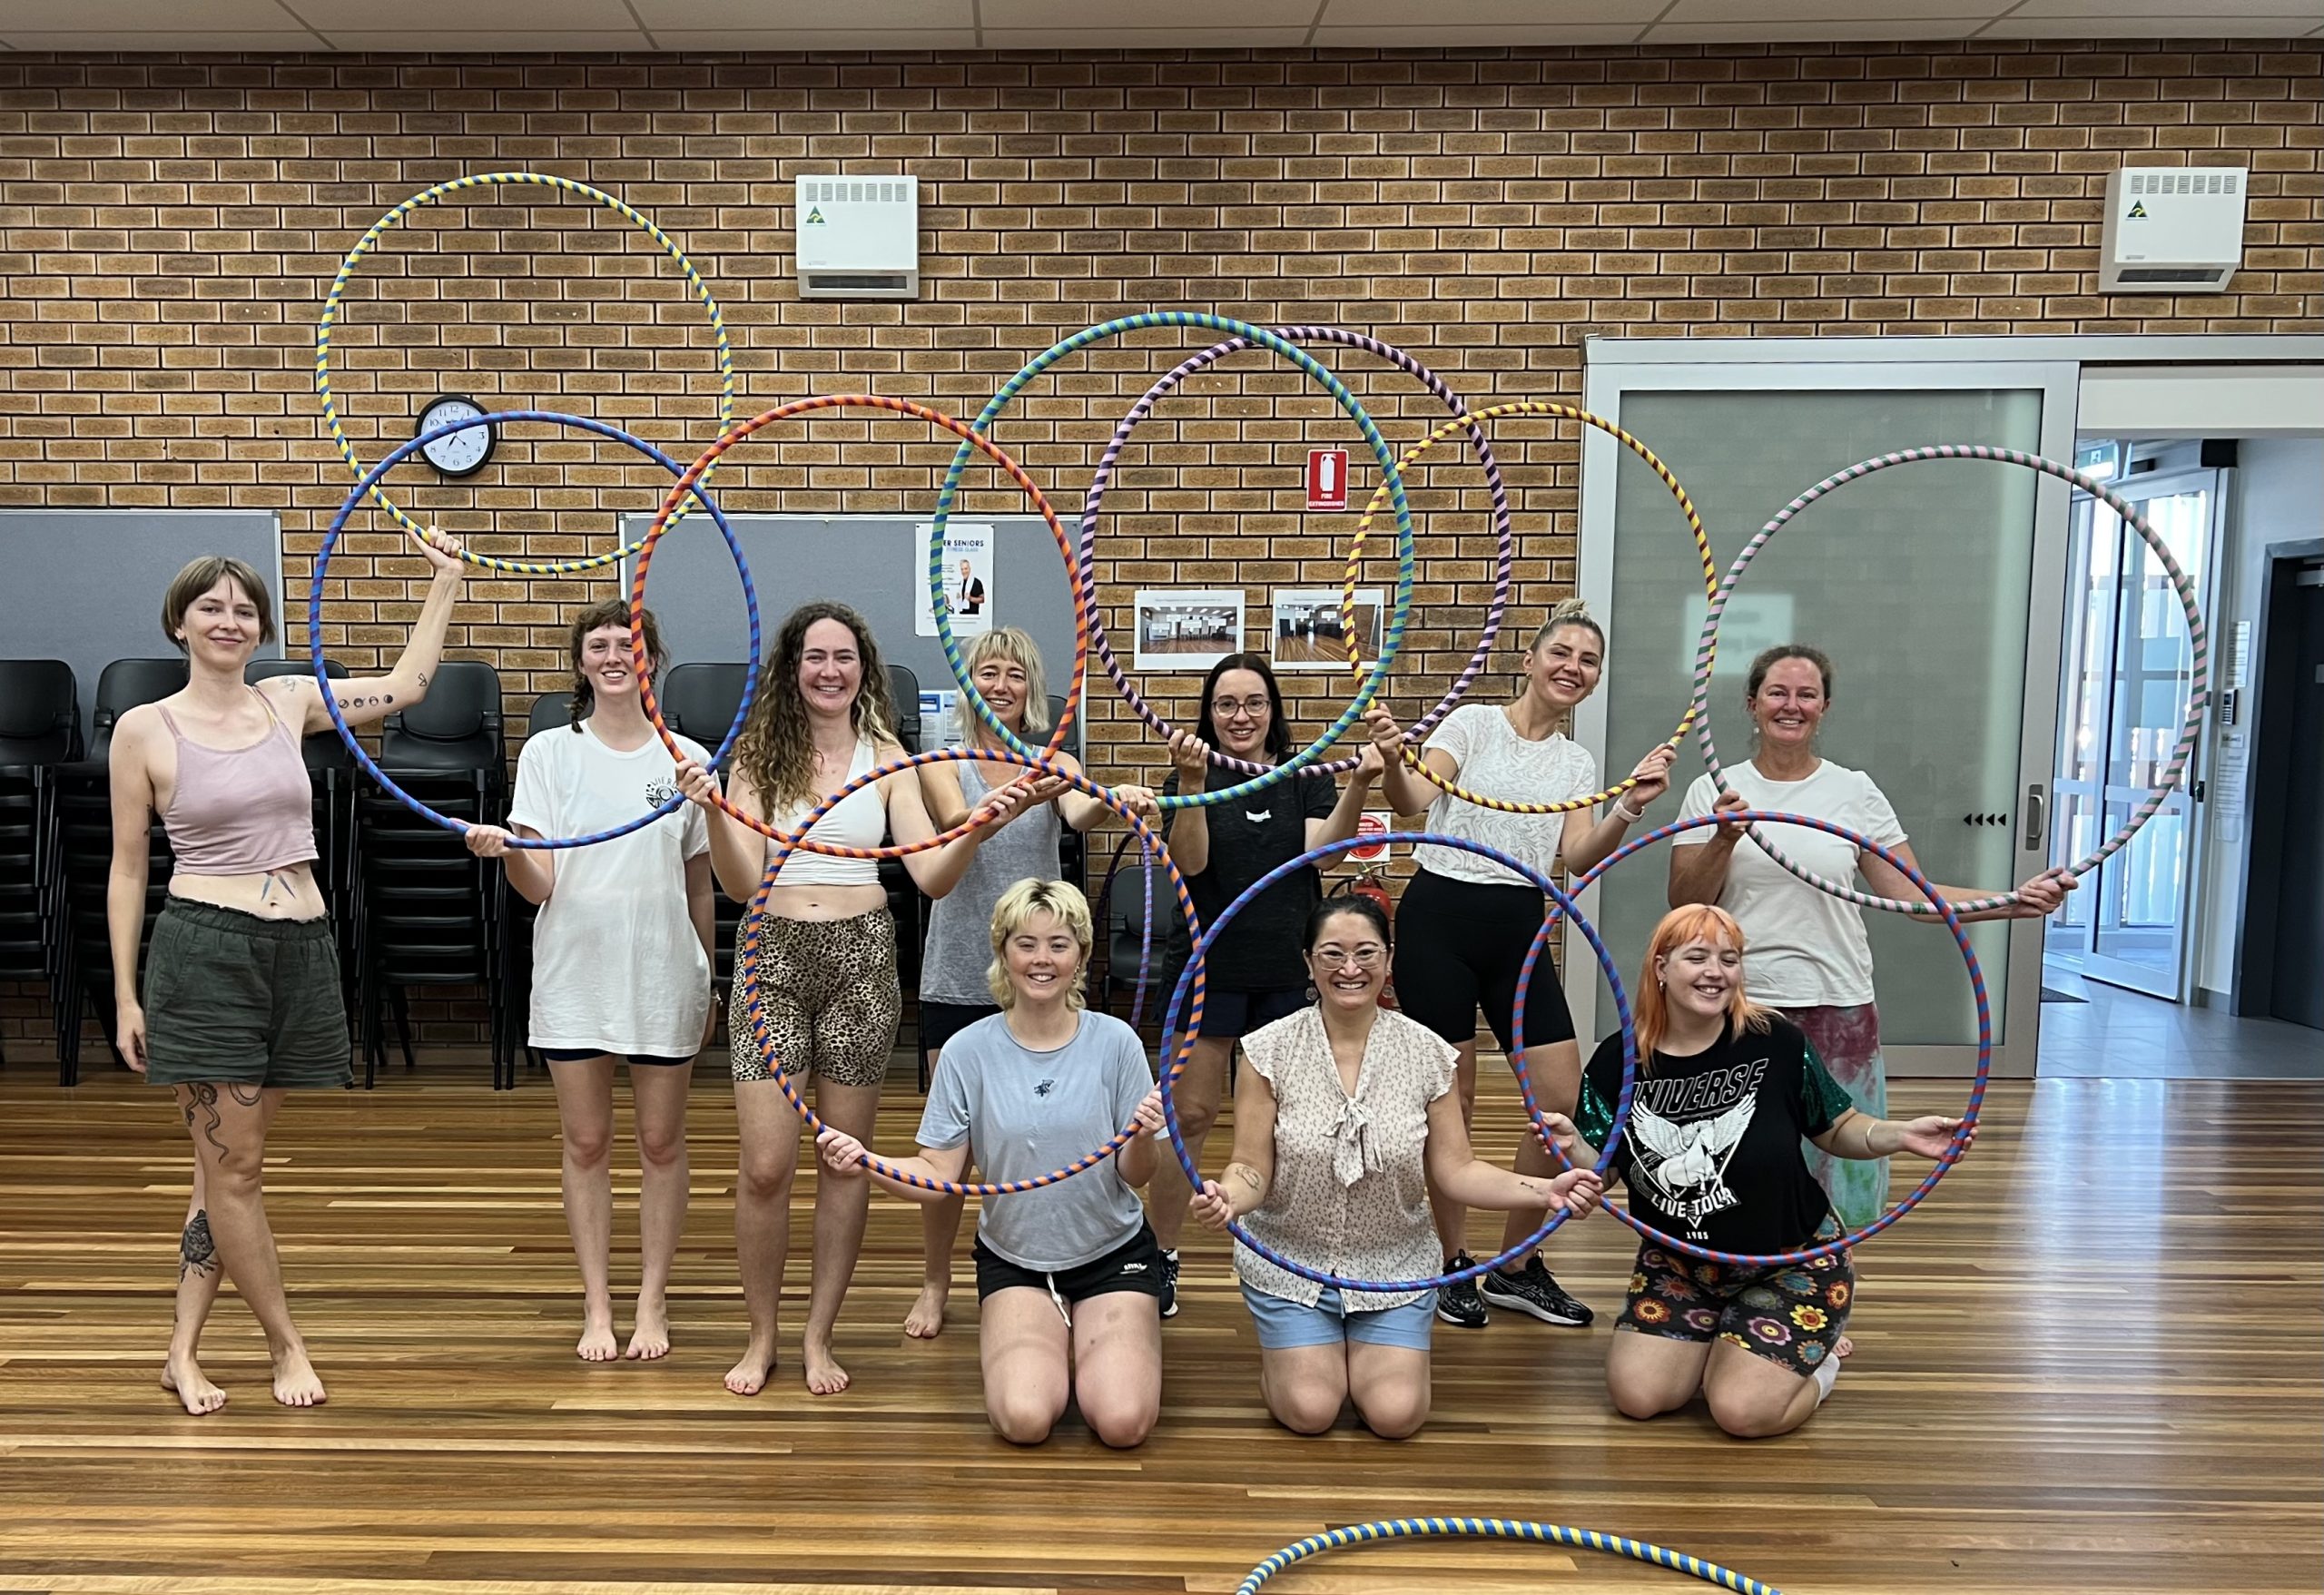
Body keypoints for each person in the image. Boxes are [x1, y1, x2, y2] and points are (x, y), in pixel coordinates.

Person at [110, 531, 467, 1413]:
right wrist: (123, 992)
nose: (230, 619)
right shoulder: (143, 729)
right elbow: (125, 867)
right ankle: (285, 1342)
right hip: (206, 950)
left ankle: (181, 1353)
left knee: (218, 1171)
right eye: (212, 606)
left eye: (243, 608)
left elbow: (410, 684)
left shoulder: (289, 699)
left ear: (259, 626)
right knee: (236, 1171)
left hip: (301, 948)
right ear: (180, 624)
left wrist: (449, 581)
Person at [674, 599, 1031, 1398]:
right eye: (814, 656)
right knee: (765, 1167)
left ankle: (817, 1335)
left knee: (844, 1164)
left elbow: (933, 876)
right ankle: (761, 1334)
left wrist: (975, 825)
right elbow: (738, 882)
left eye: (843, 656)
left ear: (863, 669)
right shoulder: (758, 759)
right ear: (792, 670)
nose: (829, 670)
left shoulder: (888, 757)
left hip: (863, 960)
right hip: (772, 955)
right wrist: (710, 808)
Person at [1667, 644, 2072, 1231]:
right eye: (1778, 692)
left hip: (1837, 1001)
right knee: (1731, 1166)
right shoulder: (1715, 792)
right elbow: (1685, 900)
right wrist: (1725, 837)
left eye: (1807, 694)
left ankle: (1817, 1312)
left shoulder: (1852, 791)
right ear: (1752, 703)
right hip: (1737, 1006)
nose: (1792, 705)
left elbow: (1913, 897)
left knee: (1838, 1172)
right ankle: (1743, 1302)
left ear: (1825, 707)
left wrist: (2012, 901)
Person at [1362, 599, 1675, 1333]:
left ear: (1593, 679)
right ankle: (1451, 1261)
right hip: (1441, 913)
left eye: (1587, 660)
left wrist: (1627, 806)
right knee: (1454, 1102)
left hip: (1519, 927)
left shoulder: (1575, 761)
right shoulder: (1471, 723)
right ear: (1529, 661)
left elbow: (1575, 858)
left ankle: (1514, 1264)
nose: (1572, 667)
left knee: (1559, 1101)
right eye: (1561, 652)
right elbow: (1411, 802)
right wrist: (1395, 757)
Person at [1545, 904, 1967, 1439]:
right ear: (1660, 968)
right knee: (1639, 1398)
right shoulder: (1618, 1060)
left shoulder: (1776, 1041)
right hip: (1682, 1265)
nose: (1715, 972)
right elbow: (1601, 1174)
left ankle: (1817, 1363)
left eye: (1729, 959)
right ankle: (1732, 1338)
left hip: (1791, 1260)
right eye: (1696, 957)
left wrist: (1900, 1135)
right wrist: (1572, 1149)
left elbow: (1838, 1128)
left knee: (1743, 1414)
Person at [1188, 897, 1602, 1439]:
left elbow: (1457, 1171)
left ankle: (1353, 1348)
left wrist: (1546, 1189)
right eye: (1332, 954)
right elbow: (1249, 1166)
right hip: (1291, 1262)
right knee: (1310, 1411)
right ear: (1309, 963)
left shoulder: (1428, 1053)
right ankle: (1298, 1355)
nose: (1350, 969)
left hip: (1395, 1266)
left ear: (1389, 959)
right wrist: (1229, 1197)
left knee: (1396, 1415)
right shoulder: (1267, 1050)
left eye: (1366, 953)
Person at [817, 880, 1167, 1446]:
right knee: (1024, 1420)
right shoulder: (966, 1052)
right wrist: (866, 1161)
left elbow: (1134, 1174)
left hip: (1112, 1253)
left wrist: (1147, 1136)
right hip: (1018, 1262)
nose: (1042, 959)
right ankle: (1062, 1332)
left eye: (1059, 943)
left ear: (1080, 952)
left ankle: (1105, 1334)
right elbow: (938, 1178)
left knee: (1123, 1423)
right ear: (1003, 951)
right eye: (1026, 943)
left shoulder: (1117, 1042)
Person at [465, 598, 714, 1364]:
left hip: (664, 972)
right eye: (600, 644)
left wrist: (706, 977)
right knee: (586, 1141)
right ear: (581, 662)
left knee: (662, 1143)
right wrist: (505, 850)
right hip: (576, 976)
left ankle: (652, 1300)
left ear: (650, 659)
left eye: (629, 643)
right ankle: (599, 1304)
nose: (614, 654)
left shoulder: (688, 759)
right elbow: (539, 886)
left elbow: (701, 885)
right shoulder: (548, 754)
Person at [905, 627, 1157, 1340]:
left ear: (1034, 691)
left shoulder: (1058, 760)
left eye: (1017, 674)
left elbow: (1080, 811)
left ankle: (1058, 1254)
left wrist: (1116, 796)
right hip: (959, 970)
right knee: (951, 1147)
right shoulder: (944, 760)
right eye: (989, 672)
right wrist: (1021, 792)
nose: (1002, 685)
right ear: (968, 683)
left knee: (1040, 1128)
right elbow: (960, 820)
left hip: (1042, 973)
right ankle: (936, 1277)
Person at [1149, 651, 1382, 1319]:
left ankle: (1298, 1256)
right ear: (1209, 713)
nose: (1241, 715)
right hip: (1207, 971)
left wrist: (1361, 785)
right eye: (1226, 704)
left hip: (1285, 973)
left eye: (1254, 702)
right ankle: (1161, 1253)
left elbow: (1326, 852)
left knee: (1292, 1126)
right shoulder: (1187, 773)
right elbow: (1190, 862)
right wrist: (1192, 781)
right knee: (1188, 1116)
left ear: (1273, 710)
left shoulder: (1301, 775)